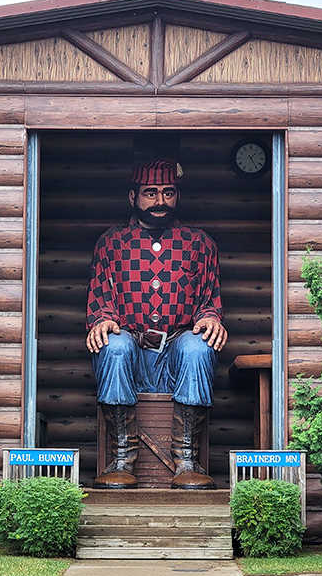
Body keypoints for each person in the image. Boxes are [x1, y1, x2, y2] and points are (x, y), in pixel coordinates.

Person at [86, 159, 227, 489]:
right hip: (132, 345)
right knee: (114, 346)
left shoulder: (200, 244)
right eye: (150, 193)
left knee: (198, 347)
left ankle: (187, 460)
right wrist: (102, 322)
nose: (160, 200)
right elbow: (100, 300)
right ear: (132, 196)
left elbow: (210, 301)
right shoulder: (111, 243)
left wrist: (210, 320)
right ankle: (122, 458)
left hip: (177, 347)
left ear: (177, 195)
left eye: (167, 192)